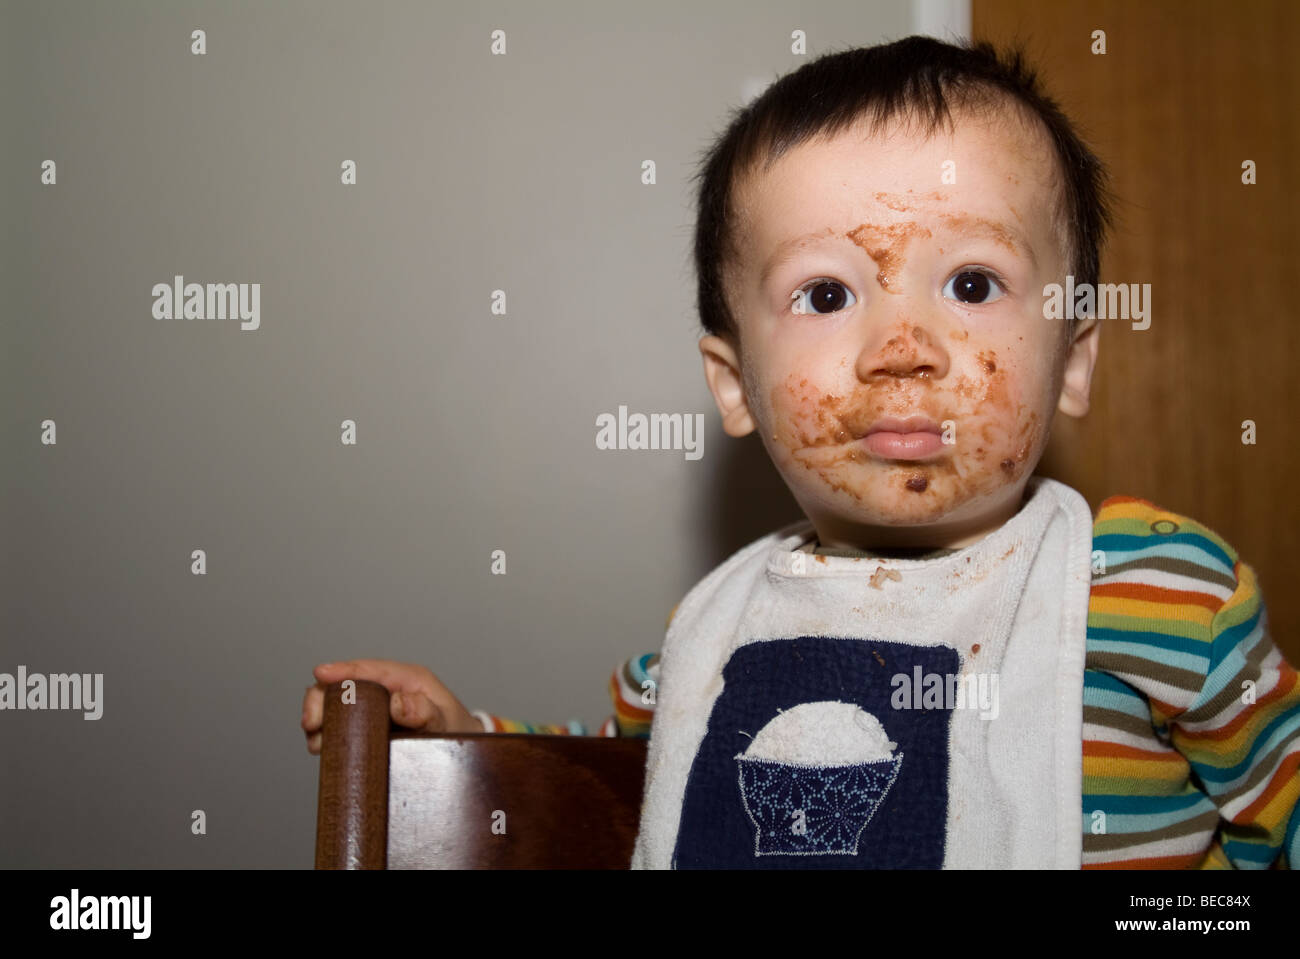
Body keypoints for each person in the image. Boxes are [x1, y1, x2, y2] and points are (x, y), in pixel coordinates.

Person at [301, 36, 1299, 869]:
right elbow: (606, 792)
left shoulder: (1160, 596)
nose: (902, 348)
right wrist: (458, 743)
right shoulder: (708, 640)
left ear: (1071, 361)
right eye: (826, 295)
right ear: (734, 385)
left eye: (971, 284)